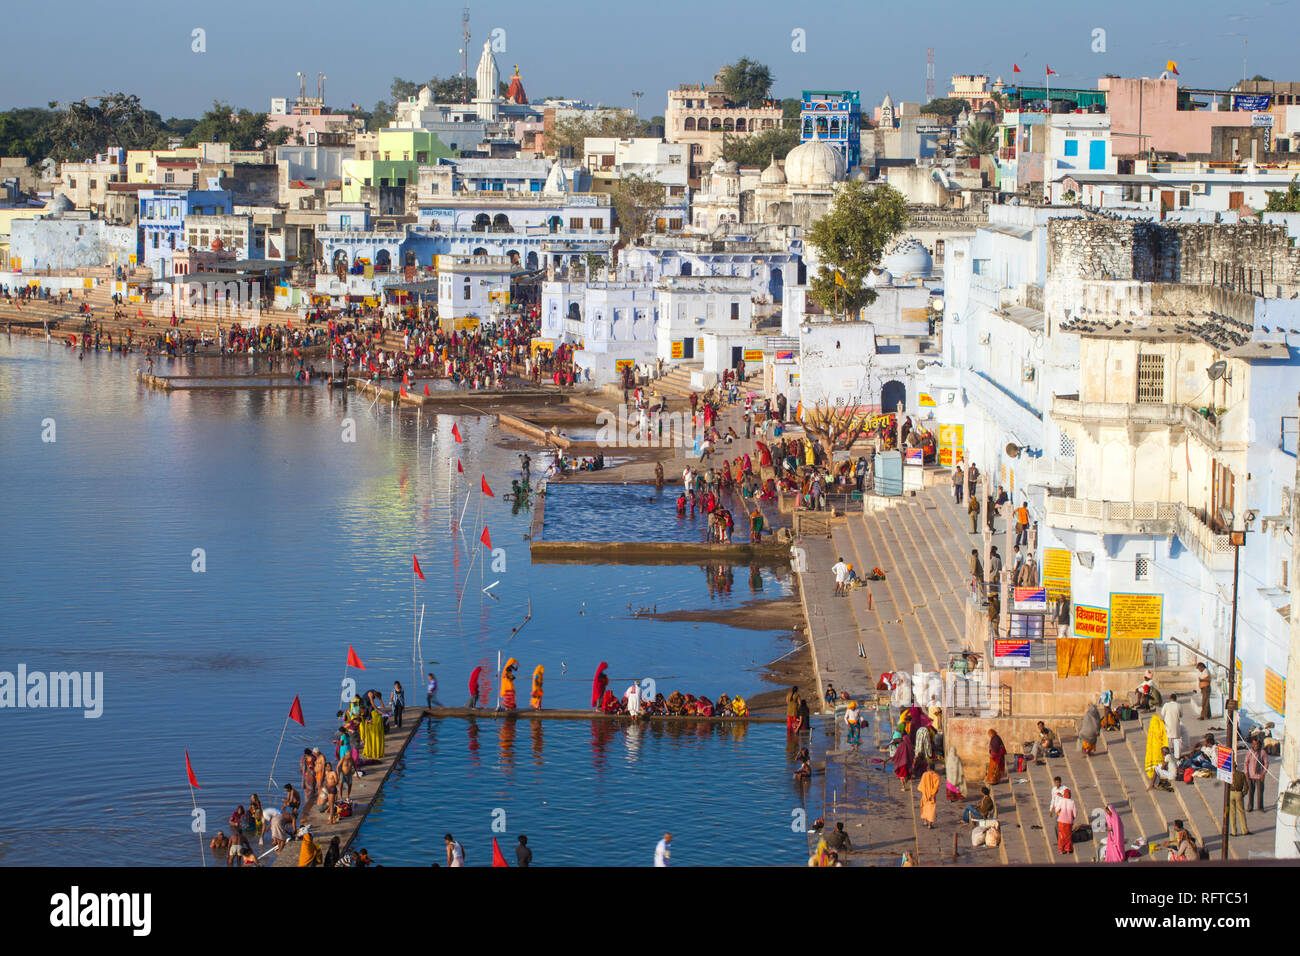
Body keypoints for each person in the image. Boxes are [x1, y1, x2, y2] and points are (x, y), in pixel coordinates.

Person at [1244, 736, 1269, 812]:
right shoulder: (1250, 752)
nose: (1255, 746)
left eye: (1257, 744)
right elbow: (1246, 763)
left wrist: (1263, 774)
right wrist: (1246, 772)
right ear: (1252, 744)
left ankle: (1260, 807)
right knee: (1251, 792)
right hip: (1251, 775)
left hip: (1259, 776)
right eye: (1254, 744)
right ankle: (1250, 807)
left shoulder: (1262, 752)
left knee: (1260, 792)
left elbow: (1266, 763)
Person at [1229, 767, 1250, 836]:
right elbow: (1246, 786)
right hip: (1239, 793)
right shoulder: (1241, 774)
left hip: (1231, 793)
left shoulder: (1228, 774)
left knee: (1232, 813)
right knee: (1241, 812)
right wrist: (1243, 794)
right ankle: (1244, 830)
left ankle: (1234, 831)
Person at [1160, 694, 1182, 759]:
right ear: (1176, 699)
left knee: (1169, 740)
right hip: (1176, 725)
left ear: (1170, 698)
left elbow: (1162, 714)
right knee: (1176, 740)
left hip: (1168, 725)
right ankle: (1177, 756)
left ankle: (1169, 756)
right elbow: (1181, 715)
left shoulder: (1166, 705)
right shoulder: (1178, 705)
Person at [1056, 787, 1077, 855]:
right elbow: (1075, 814)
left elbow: (1057, 810)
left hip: (1061, 822)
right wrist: (1072, 817)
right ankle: (1068, 849)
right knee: (1068, 836)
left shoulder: (1061, 800)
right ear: (1070, 794)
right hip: (1069, 822)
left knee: (1061, 836)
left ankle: (1061, 849)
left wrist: (1059, 813)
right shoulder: (1072, 802)